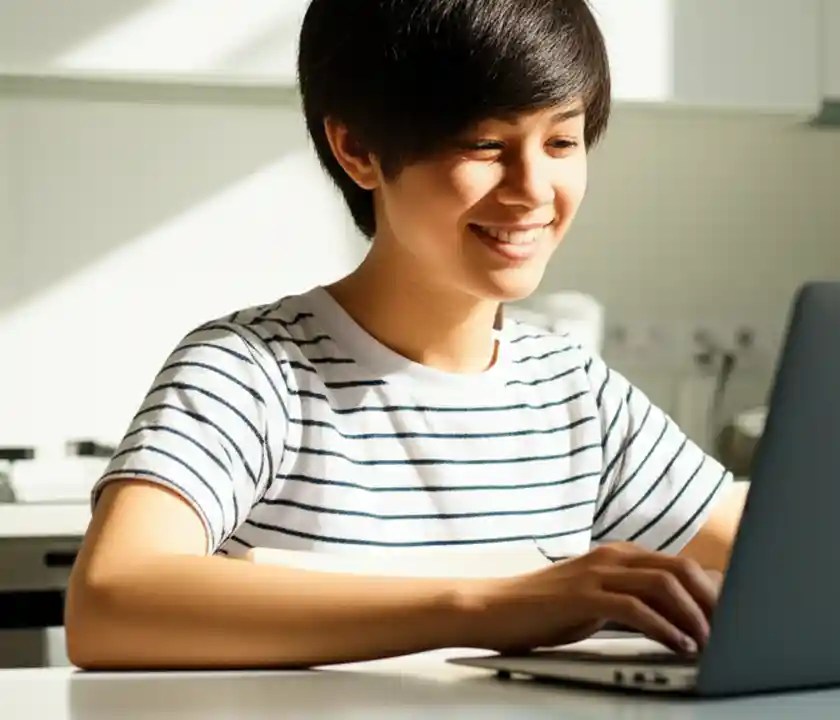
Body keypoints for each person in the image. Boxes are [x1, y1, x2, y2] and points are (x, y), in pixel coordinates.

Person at [64, 0, 742, 670]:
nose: (535, 189)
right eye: (485, 144)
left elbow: (791, 560)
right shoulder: (252, 373)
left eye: (561, 142)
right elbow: (111, 602)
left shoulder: (573, 391)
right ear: (357, 148)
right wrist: (487, 608)